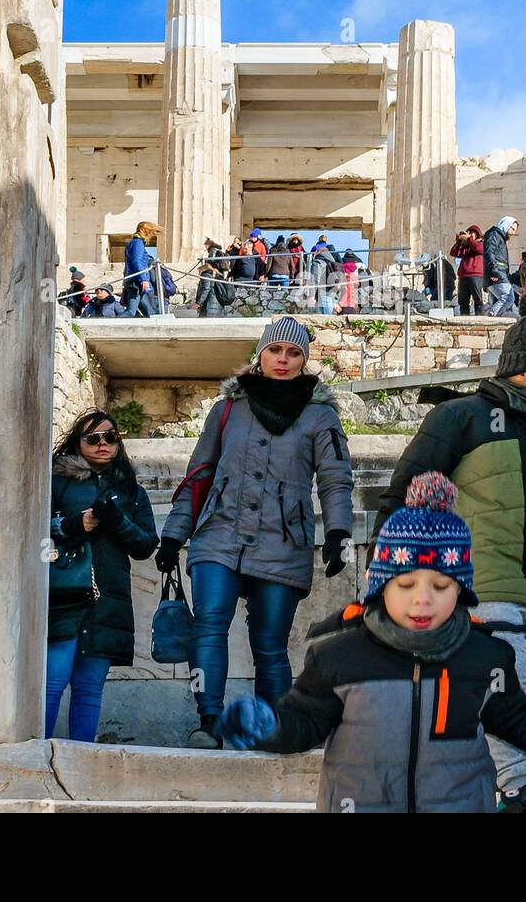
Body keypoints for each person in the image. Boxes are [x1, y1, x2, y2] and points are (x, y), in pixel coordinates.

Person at [216, 471, 526, 813]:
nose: (422, 599)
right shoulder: (339, 656)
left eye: (441, 585)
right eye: (405, 584)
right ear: (380, 586)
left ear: (462, 589)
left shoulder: (484, 657)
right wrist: (268, 726)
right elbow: (305, 722)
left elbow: (517, 718)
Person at [371, 293, 526, 811]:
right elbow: (404, 490)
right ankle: (520, 788)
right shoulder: (458, 417)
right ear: (524, 370)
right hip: (478, 575)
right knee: (511, 677)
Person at [156, 317, 355, 747]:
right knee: (208, 624)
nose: (283, 360)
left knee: (270, 643)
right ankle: (208, 721)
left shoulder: (321, 416)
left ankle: (273, 729)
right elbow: (200, 472)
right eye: (275, 351)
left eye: (293, 353)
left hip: (283, 540)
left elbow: (335, 478)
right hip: (220, 532)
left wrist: (339, 532)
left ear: (304, 361)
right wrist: (175, 534)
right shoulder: (228, 408)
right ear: (260, 354)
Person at [47, 409, 159, 741]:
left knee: (90, 686)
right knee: (53, 680)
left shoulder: (131, 490)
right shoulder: (55, 481)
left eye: (110, 436)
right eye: (92, 438)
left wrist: (116, 520)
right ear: (78, 443)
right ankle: (38, 755)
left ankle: (80, 759)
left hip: (108, 595)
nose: (102, 444)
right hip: (64, 592)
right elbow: (28, 530)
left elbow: (145, 545)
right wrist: (71, 525)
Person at [121, 221, 162, 316]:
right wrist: (144, 279)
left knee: (150, 313)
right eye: (151, 232)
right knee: (131, 312)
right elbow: (137, 261)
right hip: (136, 283)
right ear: (145, 231)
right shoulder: (137, 243)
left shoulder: (134, 243)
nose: (152, 235)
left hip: (134, 282)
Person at [483, 215, 518, 317]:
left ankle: (491, 320)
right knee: (508, 297)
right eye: (512, 229)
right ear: (506, 225)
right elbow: (489, 252)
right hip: (496, 272)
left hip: (499, 272)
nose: (513, 232)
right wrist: (494, 270)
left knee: (496, 301)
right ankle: (490, 317)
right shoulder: (495, 235)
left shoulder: (499, 237)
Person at [450, 225, 485, 316]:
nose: (469, 234)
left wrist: (469, 239)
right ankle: (464, 318)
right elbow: (453, 252)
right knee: (463, 301)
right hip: (463, 276)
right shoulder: (466, 246)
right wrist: (459, 242)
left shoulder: (481, 243)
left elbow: (478, 249)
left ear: (477, 234)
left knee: (478, 300)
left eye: (471, 233)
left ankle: (480, 318)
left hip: (475, 276)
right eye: (468, 232)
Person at [308, 246, 341, 315]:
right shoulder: (333, 263)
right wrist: (335, 301)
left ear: (319, 252)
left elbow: (314, 279)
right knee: (329, 321)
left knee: (325, 321)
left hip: (322, 294)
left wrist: (311, 295)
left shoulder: (318, 262)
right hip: (331, 294)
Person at [338, 249, 361, 314]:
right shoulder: (353, 275)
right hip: (351, 303)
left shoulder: (341, 275)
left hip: (342, 303)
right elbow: (357, 284)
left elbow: (338, 287)